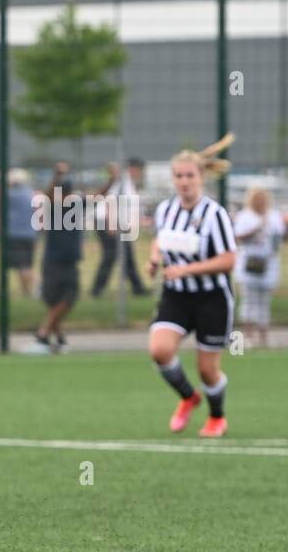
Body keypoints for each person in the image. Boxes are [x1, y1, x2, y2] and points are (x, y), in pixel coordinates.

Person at [147, 134, 238, 438]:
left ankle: (216, 417)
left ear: (201, 177)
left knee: (207, 370)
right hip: (177, 297)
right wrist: (153, 259)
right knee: (159, 350)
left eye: (189, 175)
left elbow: (228, 260)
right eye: (178, 176)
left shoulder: (215, 215)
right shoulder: (165, 211)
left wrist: (187, 269)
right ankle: (189, 397)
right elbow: (160, 242)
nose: (184, 181)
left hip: (212, 298)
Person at [27, 162, 81, 354]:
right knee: (55, 300)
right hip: (54, 259)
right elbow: (48, 195)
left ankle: (48, 335)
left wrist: (111, 180)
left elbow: (99, 196)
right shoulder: (52, 206)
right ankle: (49, 336)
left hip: (69, 259)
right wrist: (56, 176)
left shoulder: (76, 204)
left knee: (68, 298)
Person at [232, 187, 282, 350]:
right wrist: (255, 229)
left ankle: (263, 337)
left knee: (264, 301)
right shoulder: (245, 216)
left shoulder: (274, 216)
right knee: (249, 299)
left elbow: (279, 239)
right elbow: (237, 236)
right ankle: (247, 336)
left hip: (268, 263)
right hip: (249, 262)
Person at [90, 158, 148, 297]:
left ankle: (138, 288)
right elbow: (110, 200)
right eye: (139, 170)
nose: (140, 173)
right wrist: (111, 225)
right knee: (110, 256)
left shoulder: (128, 182)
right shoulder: (123, 181)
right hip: (108, 222)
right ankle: (96, 290)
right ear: (133, 169)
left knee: (127, 256)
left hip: (117, 223)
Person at [5, 168, 37, 297]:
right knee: (26, 264)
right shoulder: (31, 193)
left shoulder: (9, 195)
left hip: (14, 234)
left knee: (21, 265)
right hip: (30, 233)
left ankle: (40, 283)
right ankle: (25, 292)